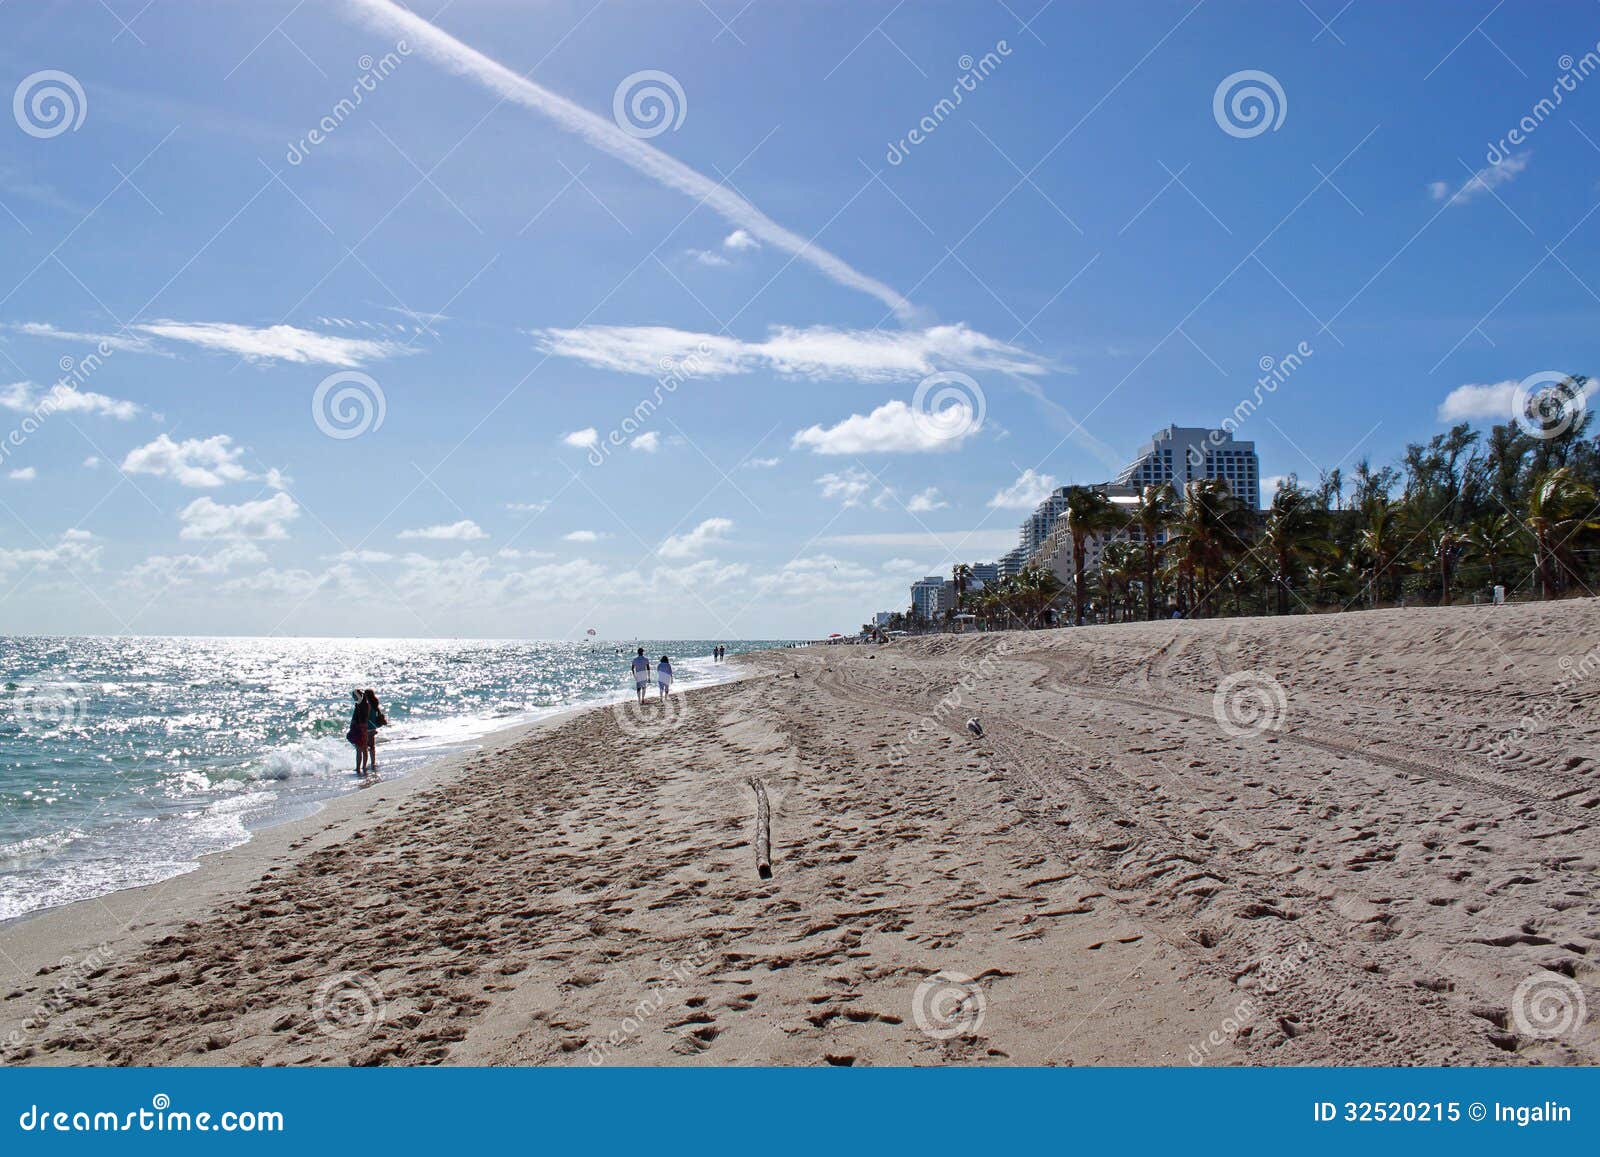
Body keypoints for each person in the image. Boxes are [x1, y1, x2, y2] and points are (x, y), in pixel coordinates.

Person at [347, 689, 369, 775]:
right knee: (363, 748)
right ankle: (363, 766)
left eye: (354, 696)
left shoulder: (359, 705)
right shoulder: (365, 704)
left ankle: (358, 767)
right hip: (364, 727)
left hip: (359, 727)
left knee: (359, 749)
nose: (353, 698)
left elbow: (359, 717)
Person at [363, 689, 386, 773]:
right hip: (373, 727)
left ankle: (365, 765)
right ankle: (373, 762)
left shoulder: (368, 705)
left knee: (365, 746)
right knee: (372, 746)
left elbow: (366, 717)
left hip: (367, 727)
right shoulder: (375, 705)